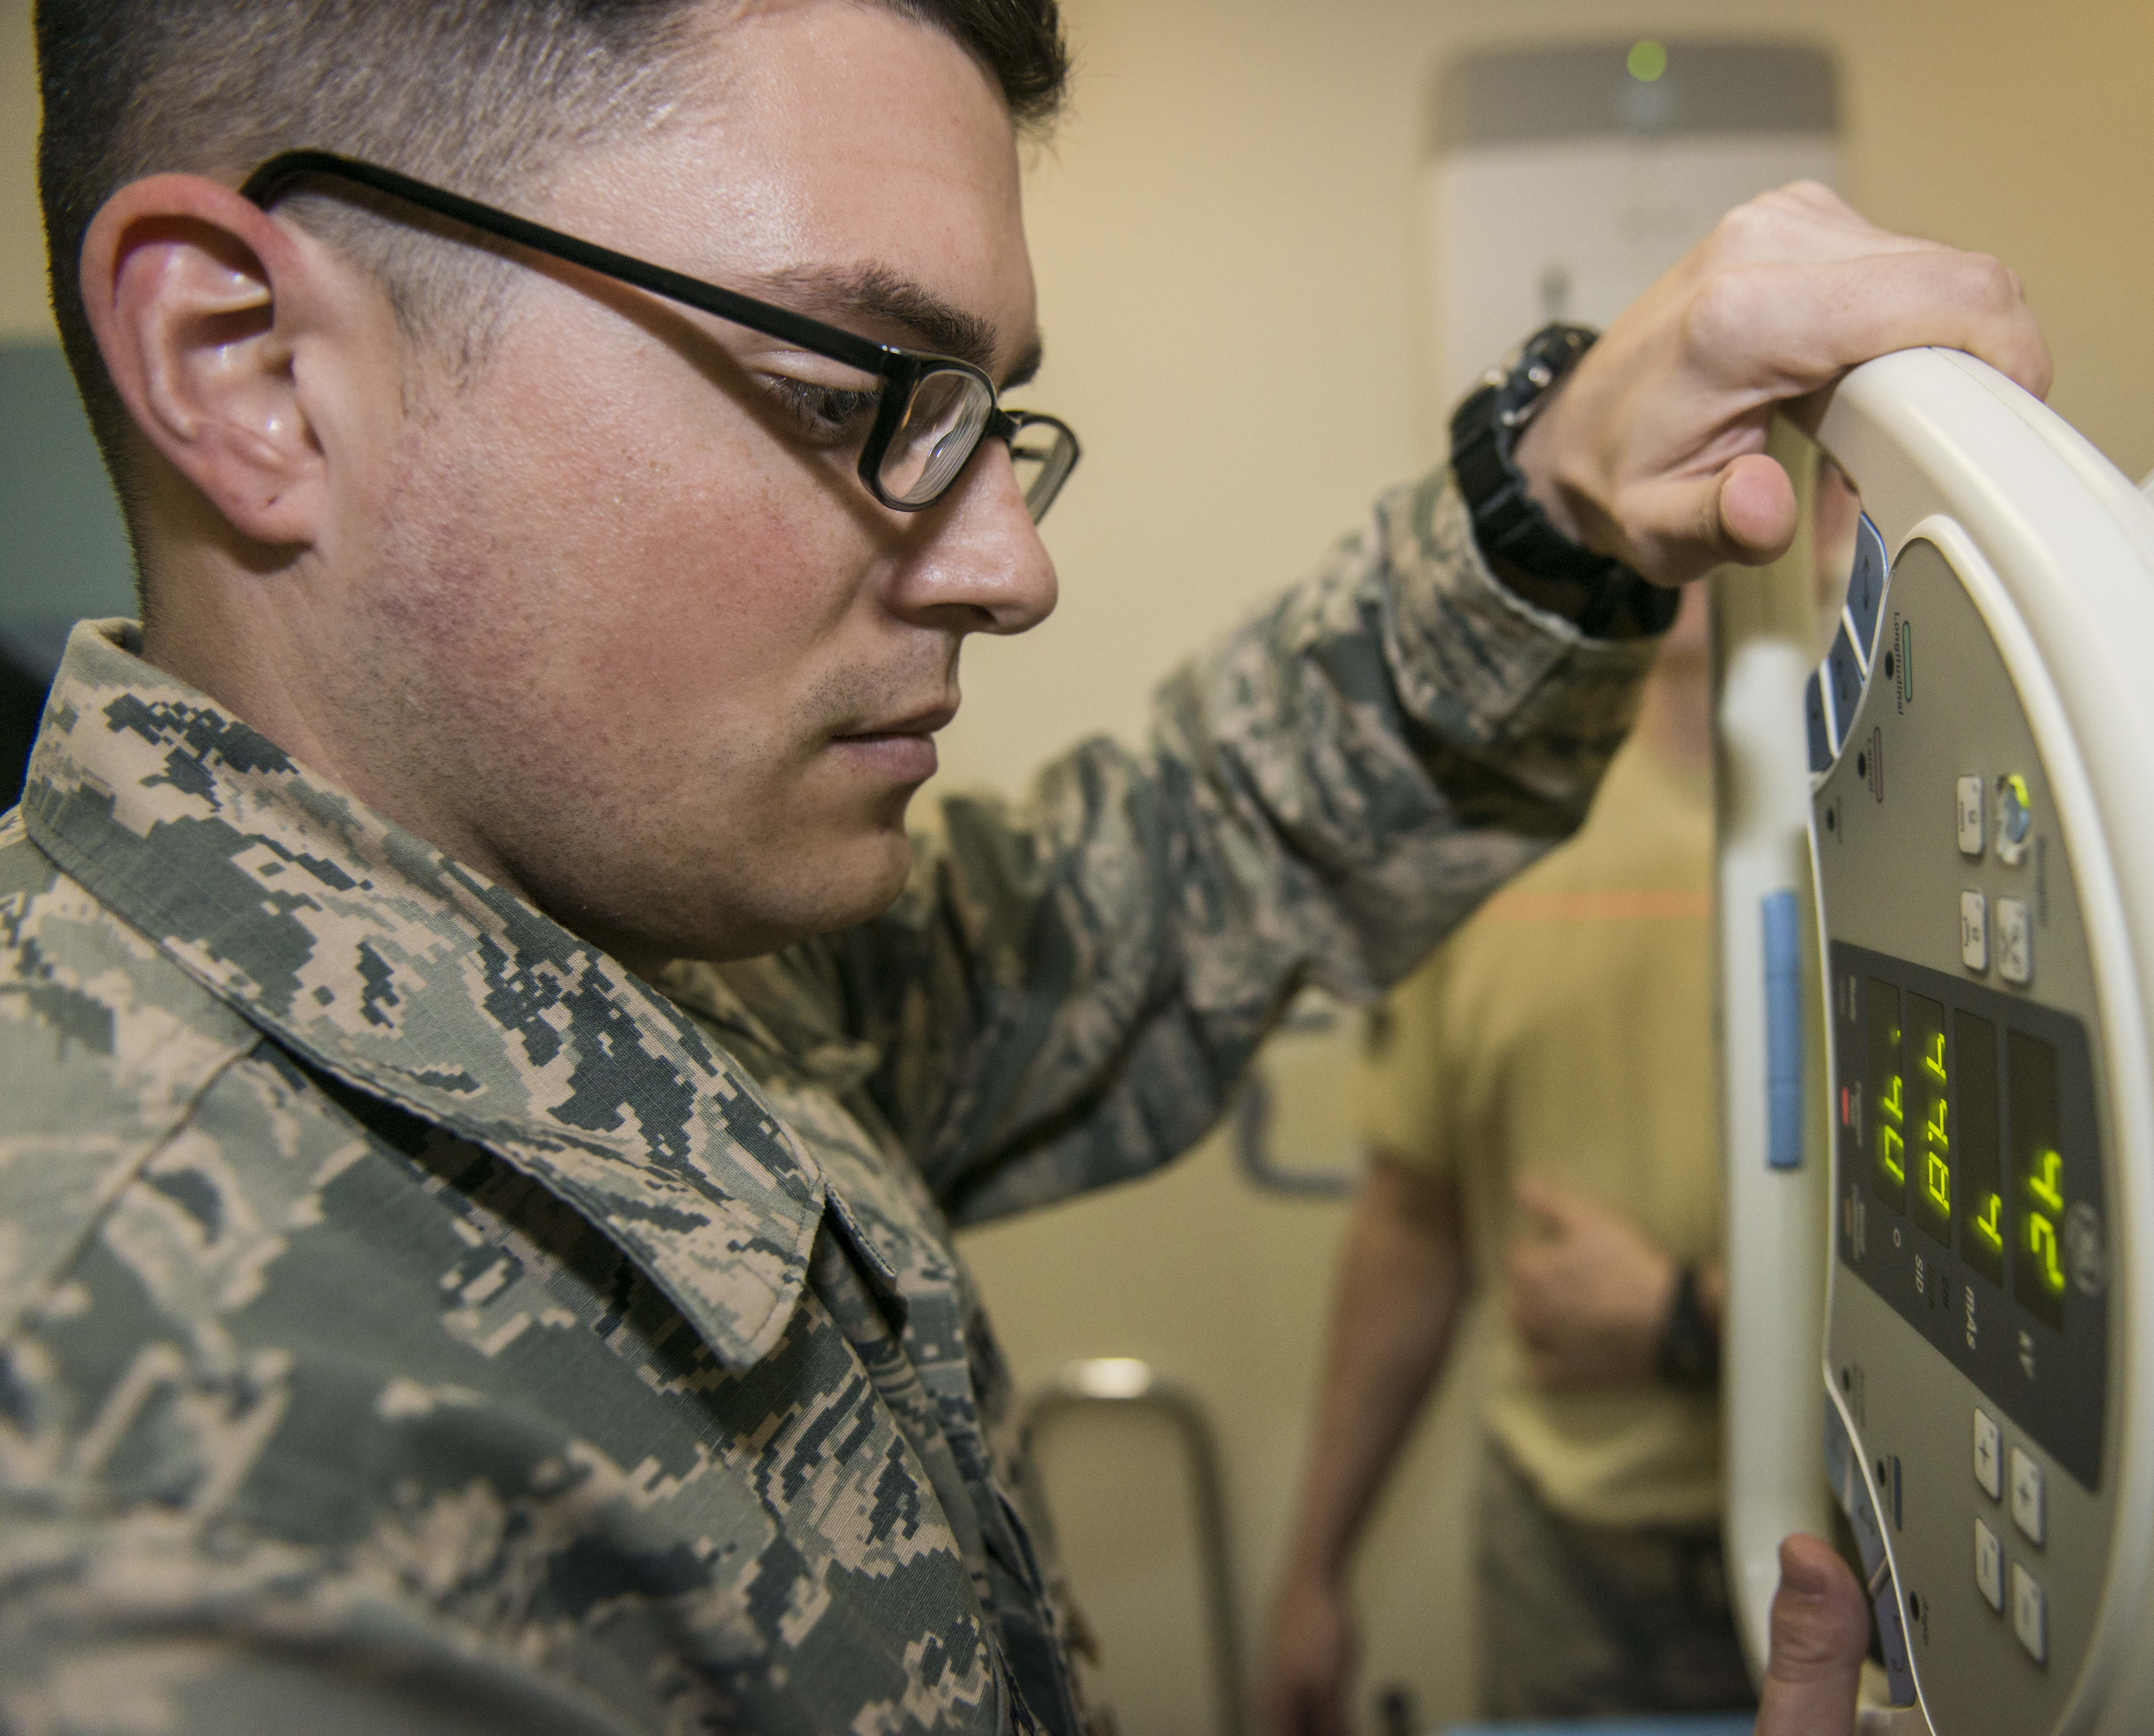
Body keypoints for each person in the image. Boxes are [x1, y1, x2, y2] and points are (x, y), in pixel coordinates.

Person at [0, 0, 2047, 1730]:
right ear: (248, 369)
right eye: (850, 396)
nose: (1012, 564)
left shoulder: (642, 942)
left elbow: (1167, 879)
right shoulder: (150, 1489)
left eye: (994, 427)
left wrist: (1563, 492)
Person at [1266, 573, 1745, 1727]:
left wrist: (1686, 1319)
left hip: (1863, 1547)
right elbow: (1414, 1221)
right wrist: (1315, 1571)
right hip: (1565, 1565)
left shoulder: (1909, 825)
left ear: (1828, 508)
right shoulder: (1488, 835)